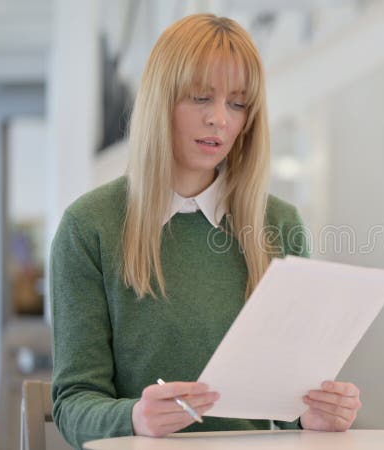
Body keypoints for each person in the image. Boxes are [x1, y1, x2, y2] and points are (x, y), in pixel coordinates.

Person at [50, 14, 361, 449]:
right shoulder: (89, 227)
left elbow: (288, 404)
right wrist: (135, 418)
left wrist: (313, 415)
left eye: (237, 104)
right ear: (162, 101)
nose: (220, 119)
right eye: (201, 98)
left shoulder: (281, 226)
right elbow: (72, 404)